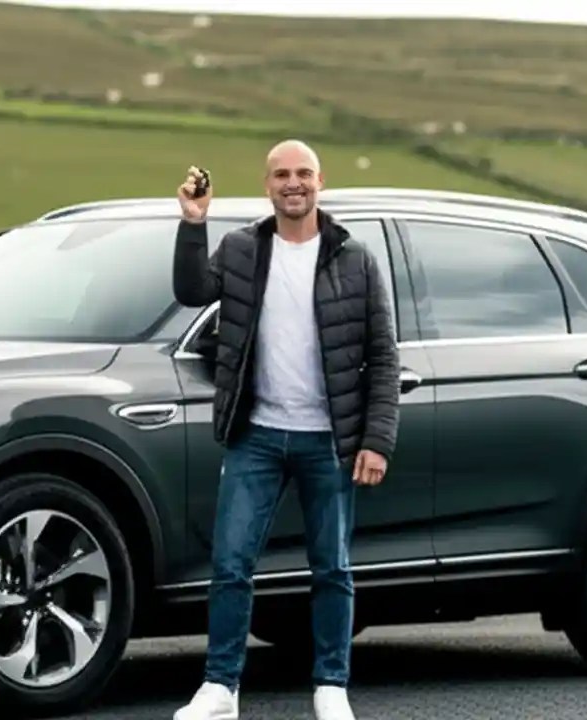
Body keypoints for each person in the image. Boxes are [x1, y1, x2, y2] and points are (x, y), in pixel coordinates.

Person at [170, 140, 400, 720]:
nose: (292, 183)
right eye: (280, 175)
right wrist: (192, 225)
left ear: (321, 181)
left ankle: (331, 687)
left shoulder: (356, 259)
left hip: (330, 439)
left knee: (333, 567)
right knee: (230, 565)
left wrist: (376, 439)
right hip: (258, 435)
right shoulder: (243, 248)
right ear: (267, 184)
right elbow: (191, 292)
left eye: (302, 174)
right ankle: (220, 688)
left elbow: (383, 356)